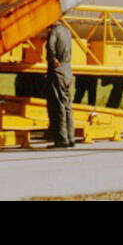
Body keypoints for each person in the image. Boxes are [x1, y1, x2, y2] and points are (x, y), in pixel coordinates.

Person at [45, 19, 75, 148]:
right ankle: (70, 137)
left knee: (58, 105)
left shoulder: (54, 32)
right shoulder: (67, 31)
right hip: (67, 69)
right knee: (67, 104)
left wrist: (52, 59)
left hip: (57, 70)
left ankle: (61, 138)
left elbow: (51, 47)